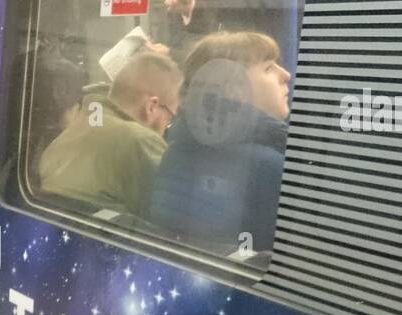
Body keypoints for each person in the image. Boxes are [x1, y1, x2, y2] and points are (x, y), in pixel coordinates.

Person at [145, 31, 292, 257]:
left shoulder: (177, 151)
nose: (286, 75)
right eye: (268, 68)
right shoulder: (272, 168)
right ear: (233, 90)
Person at [38, 49, 182, 217]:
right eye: (170, 117)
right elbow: (176, 217)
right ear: (152, 106)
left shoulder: (74, 131)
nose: (167, 126)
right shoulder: (140, 141)